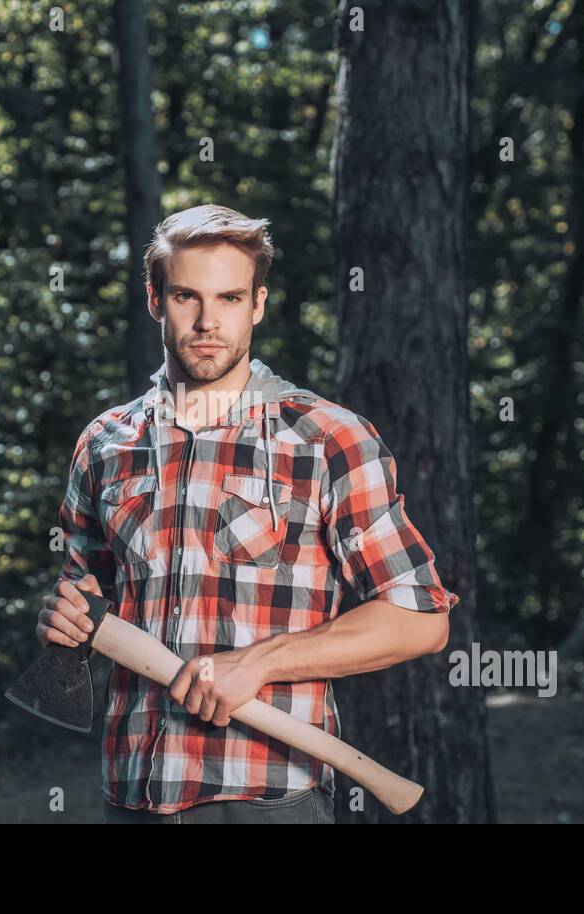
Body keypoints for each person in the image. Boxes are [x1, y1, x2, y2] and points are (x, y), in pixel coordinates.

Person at [36, 204, 458, 824]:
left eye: (230, 297)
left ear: (258, 304)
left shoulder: (326, 438)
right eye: (187, 296)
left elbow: (420, 618)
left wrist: (259, 662)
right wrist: (67, 619)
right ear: (156, 300)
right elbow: (89, 605)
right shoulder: (106, 443)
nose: (208, 321)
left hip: (267, 797)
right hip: (132, 792)